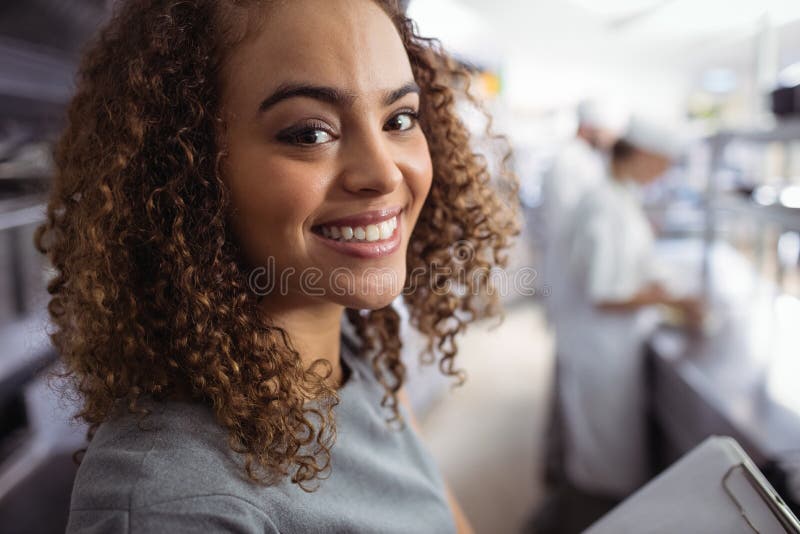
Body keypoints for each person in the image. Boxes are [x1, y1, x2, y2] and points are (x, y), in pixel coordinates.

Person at [34, 0, 518, 532]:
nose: (382, 172)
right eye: (310, 133)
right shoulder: (173, 503)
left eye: (399, 119)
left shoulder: (356, 353)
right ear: (183, 170)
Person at [554, 118, 703, 515]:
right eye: (663, 163)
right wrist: (669, 299)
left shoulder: (620, 194)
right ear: (640, 154)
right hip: (599, 347)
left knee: (610, 448)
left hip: (612, 344)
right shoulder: (604, 203)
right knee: (603, 454)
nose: (665, 173)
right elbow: (605, 294)